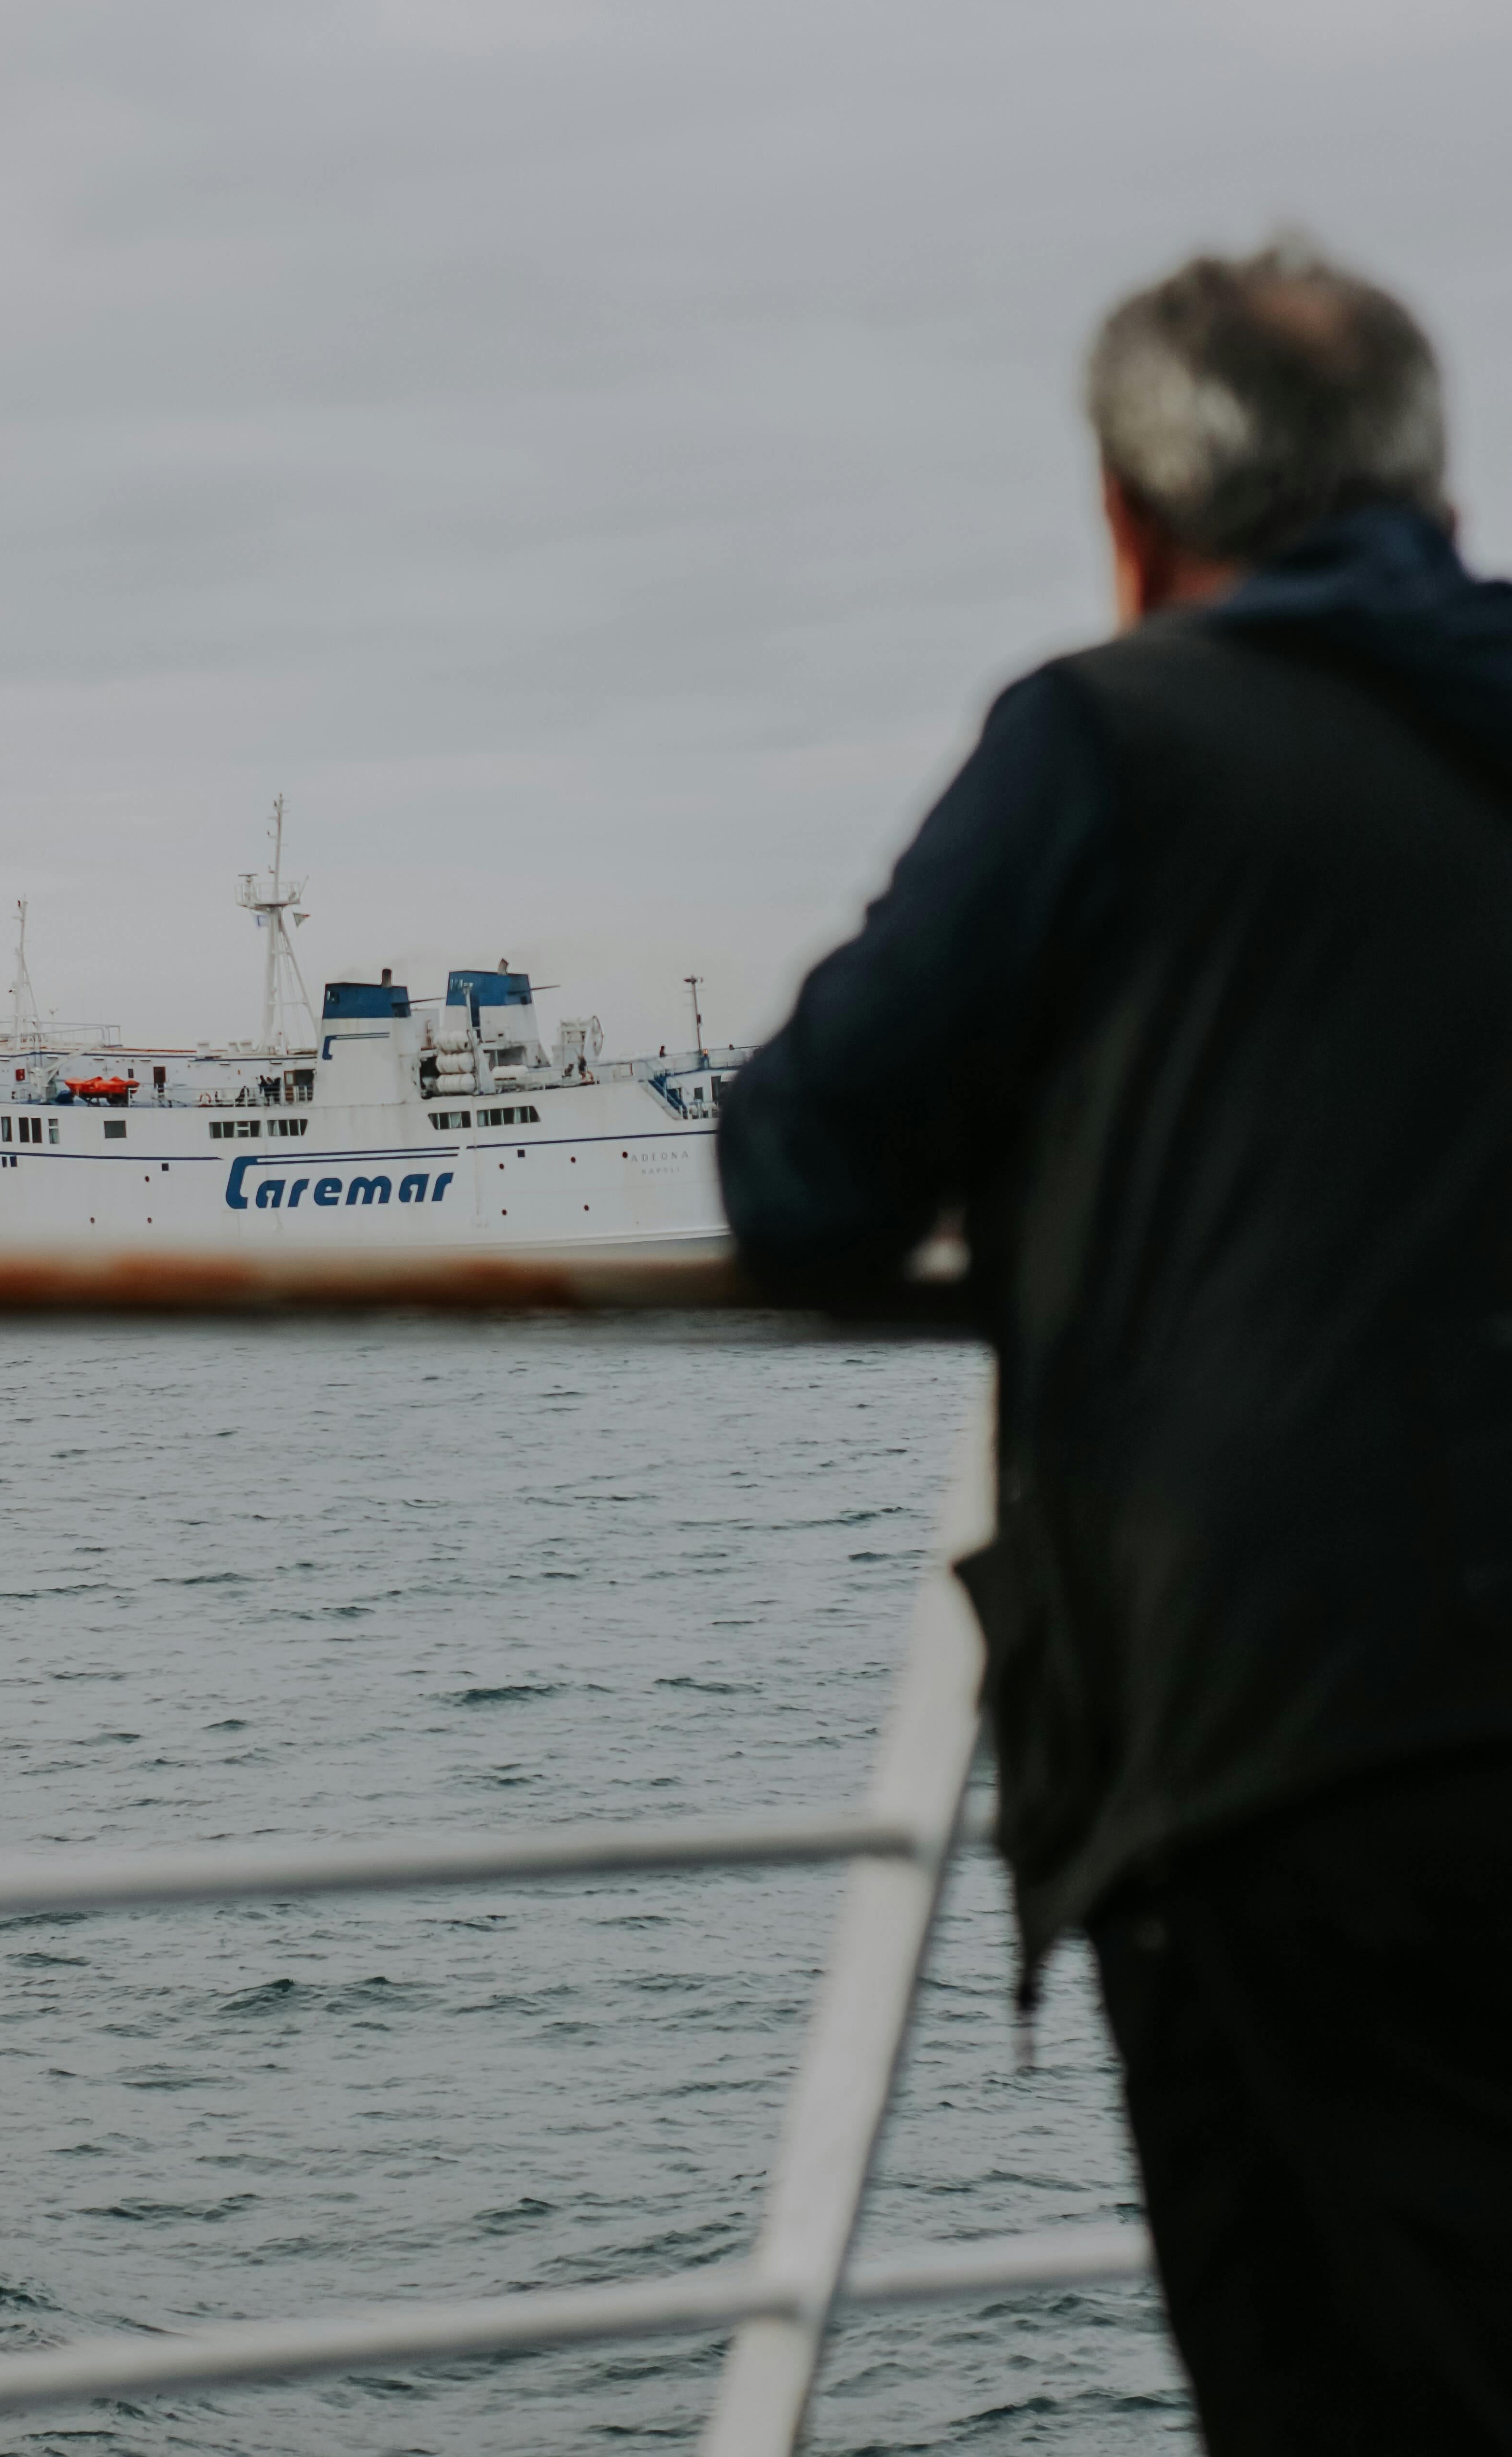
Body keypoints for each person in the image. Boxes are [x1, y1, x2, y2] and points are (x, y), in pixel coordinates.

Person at [716, 240, 1512, 2455]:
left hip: (1292, 1742)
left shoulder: (1109, 742)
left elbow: (803, 1176)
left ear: (1131, 519)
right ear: (1429, 487)